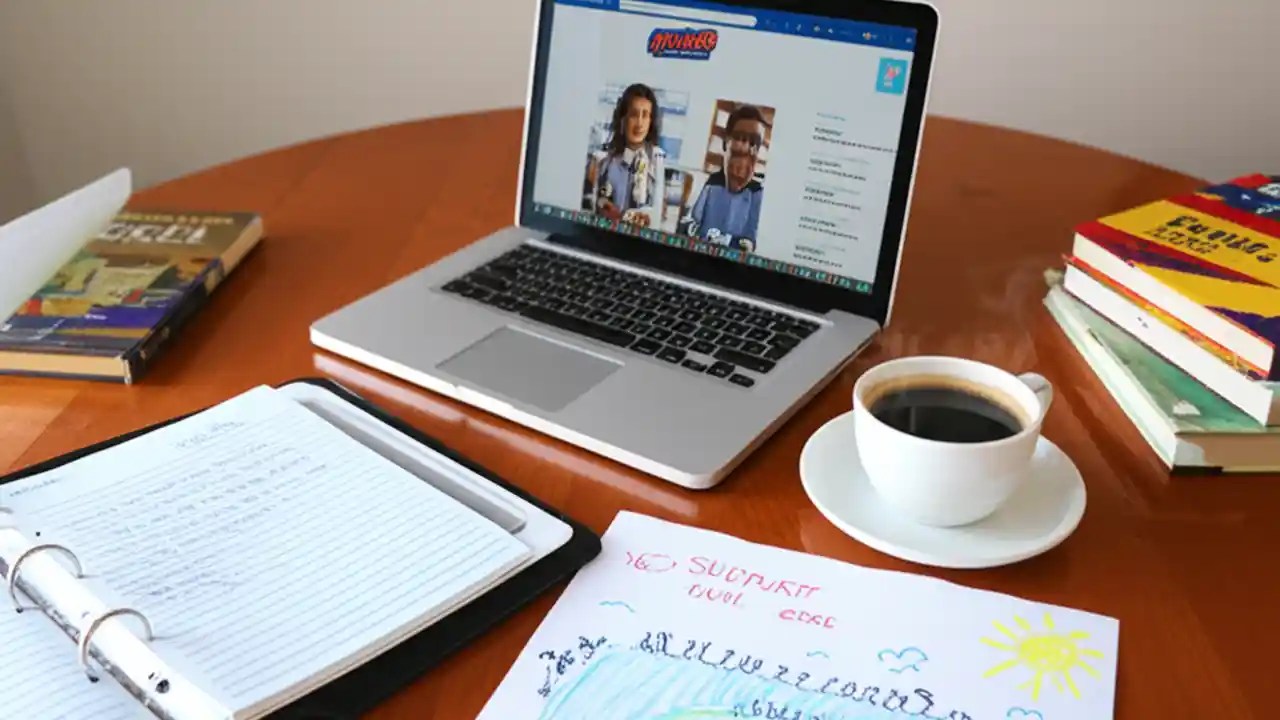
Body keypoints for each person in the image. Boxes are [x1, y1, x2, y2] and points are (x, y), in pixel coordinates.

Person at [686, 104, 768, 252]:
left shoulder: (758, 196)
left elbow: (753, 241)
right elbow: (691, 222)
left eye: (753, 142)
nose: (745, 148)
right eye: (739, 138)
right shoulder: (708, 185)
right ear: (725, 143)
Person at [589, 83, 666, 228]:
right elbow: (596, 204)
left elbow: (656, 213)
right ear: (623, 119)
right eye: (634, 115)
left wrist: (639, 216)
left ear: (651, 122)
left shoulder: (656, 159)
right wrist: (603, 205)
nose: (640, 123)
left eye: (645, 115)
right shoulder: (606, 160)